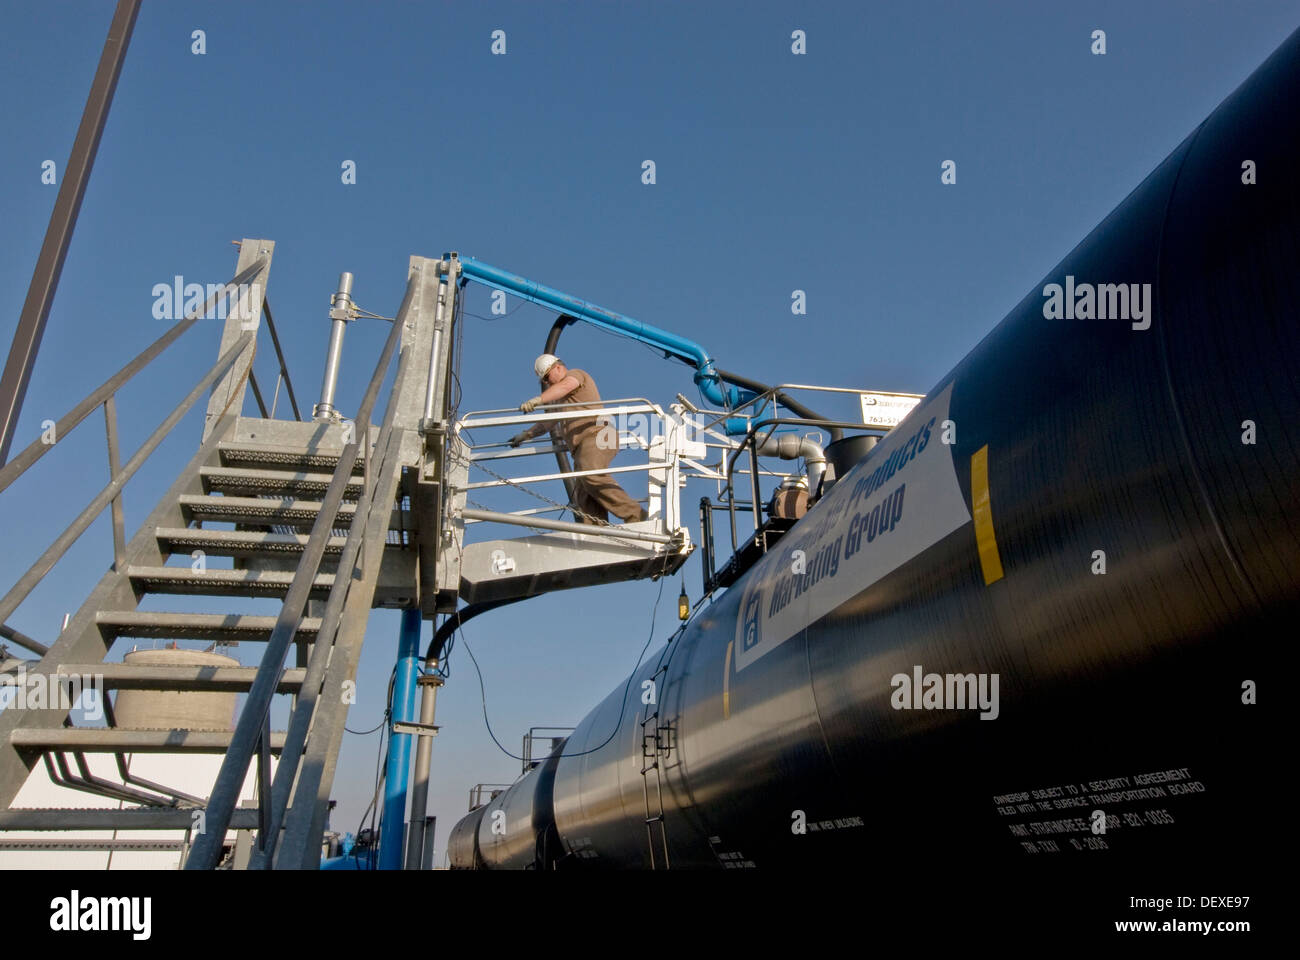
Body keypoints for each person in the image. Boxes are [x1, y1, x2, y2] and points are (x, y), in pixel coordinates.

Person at [509, 354, 649, 525]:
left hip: (597, 435)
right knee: (584, 496)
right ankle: (597, 533)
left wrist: (539, 399)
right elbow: (547, 423)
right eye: (543, 381)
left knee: (592, 475)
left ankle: (636, 515)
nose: (547, 383)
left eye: (547, 377)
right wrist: (525, 435)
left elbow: (567, 386)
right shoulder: (559, 400)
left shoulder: (575, 375)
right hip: (581, 448)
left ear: (558, 368)